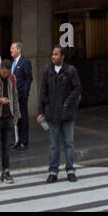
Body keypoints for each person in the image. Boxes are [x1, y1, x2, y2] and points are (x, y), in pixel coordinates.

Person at [40, 46, 81, 183]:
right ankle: (53, 171)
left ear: (62, 56)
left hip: (67, 112)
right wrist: (41, 111)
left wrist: (67, 102)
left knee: (69, 143)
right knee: (53, 144)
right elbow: (43, 91)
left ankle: (70, 169)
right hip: (53, 113)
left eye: (56, 54)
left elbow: (77, 89)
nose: (53, 57)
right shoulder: (48, 71)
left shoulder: (70, 70)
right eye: (52, 54)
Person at [8, 42, 32, 149]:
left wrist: (25, 92)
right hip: (13, 96)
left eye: (13, 48)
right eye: (11, 48)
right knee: (16, 117)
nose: (11, 50)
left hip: (21, 95)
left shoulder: (25, 62)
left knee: (23, 117)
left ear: (19, 50)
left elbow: (28, 78)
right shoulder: (13, 63)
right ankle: (17, 140)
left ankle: (24, 141)